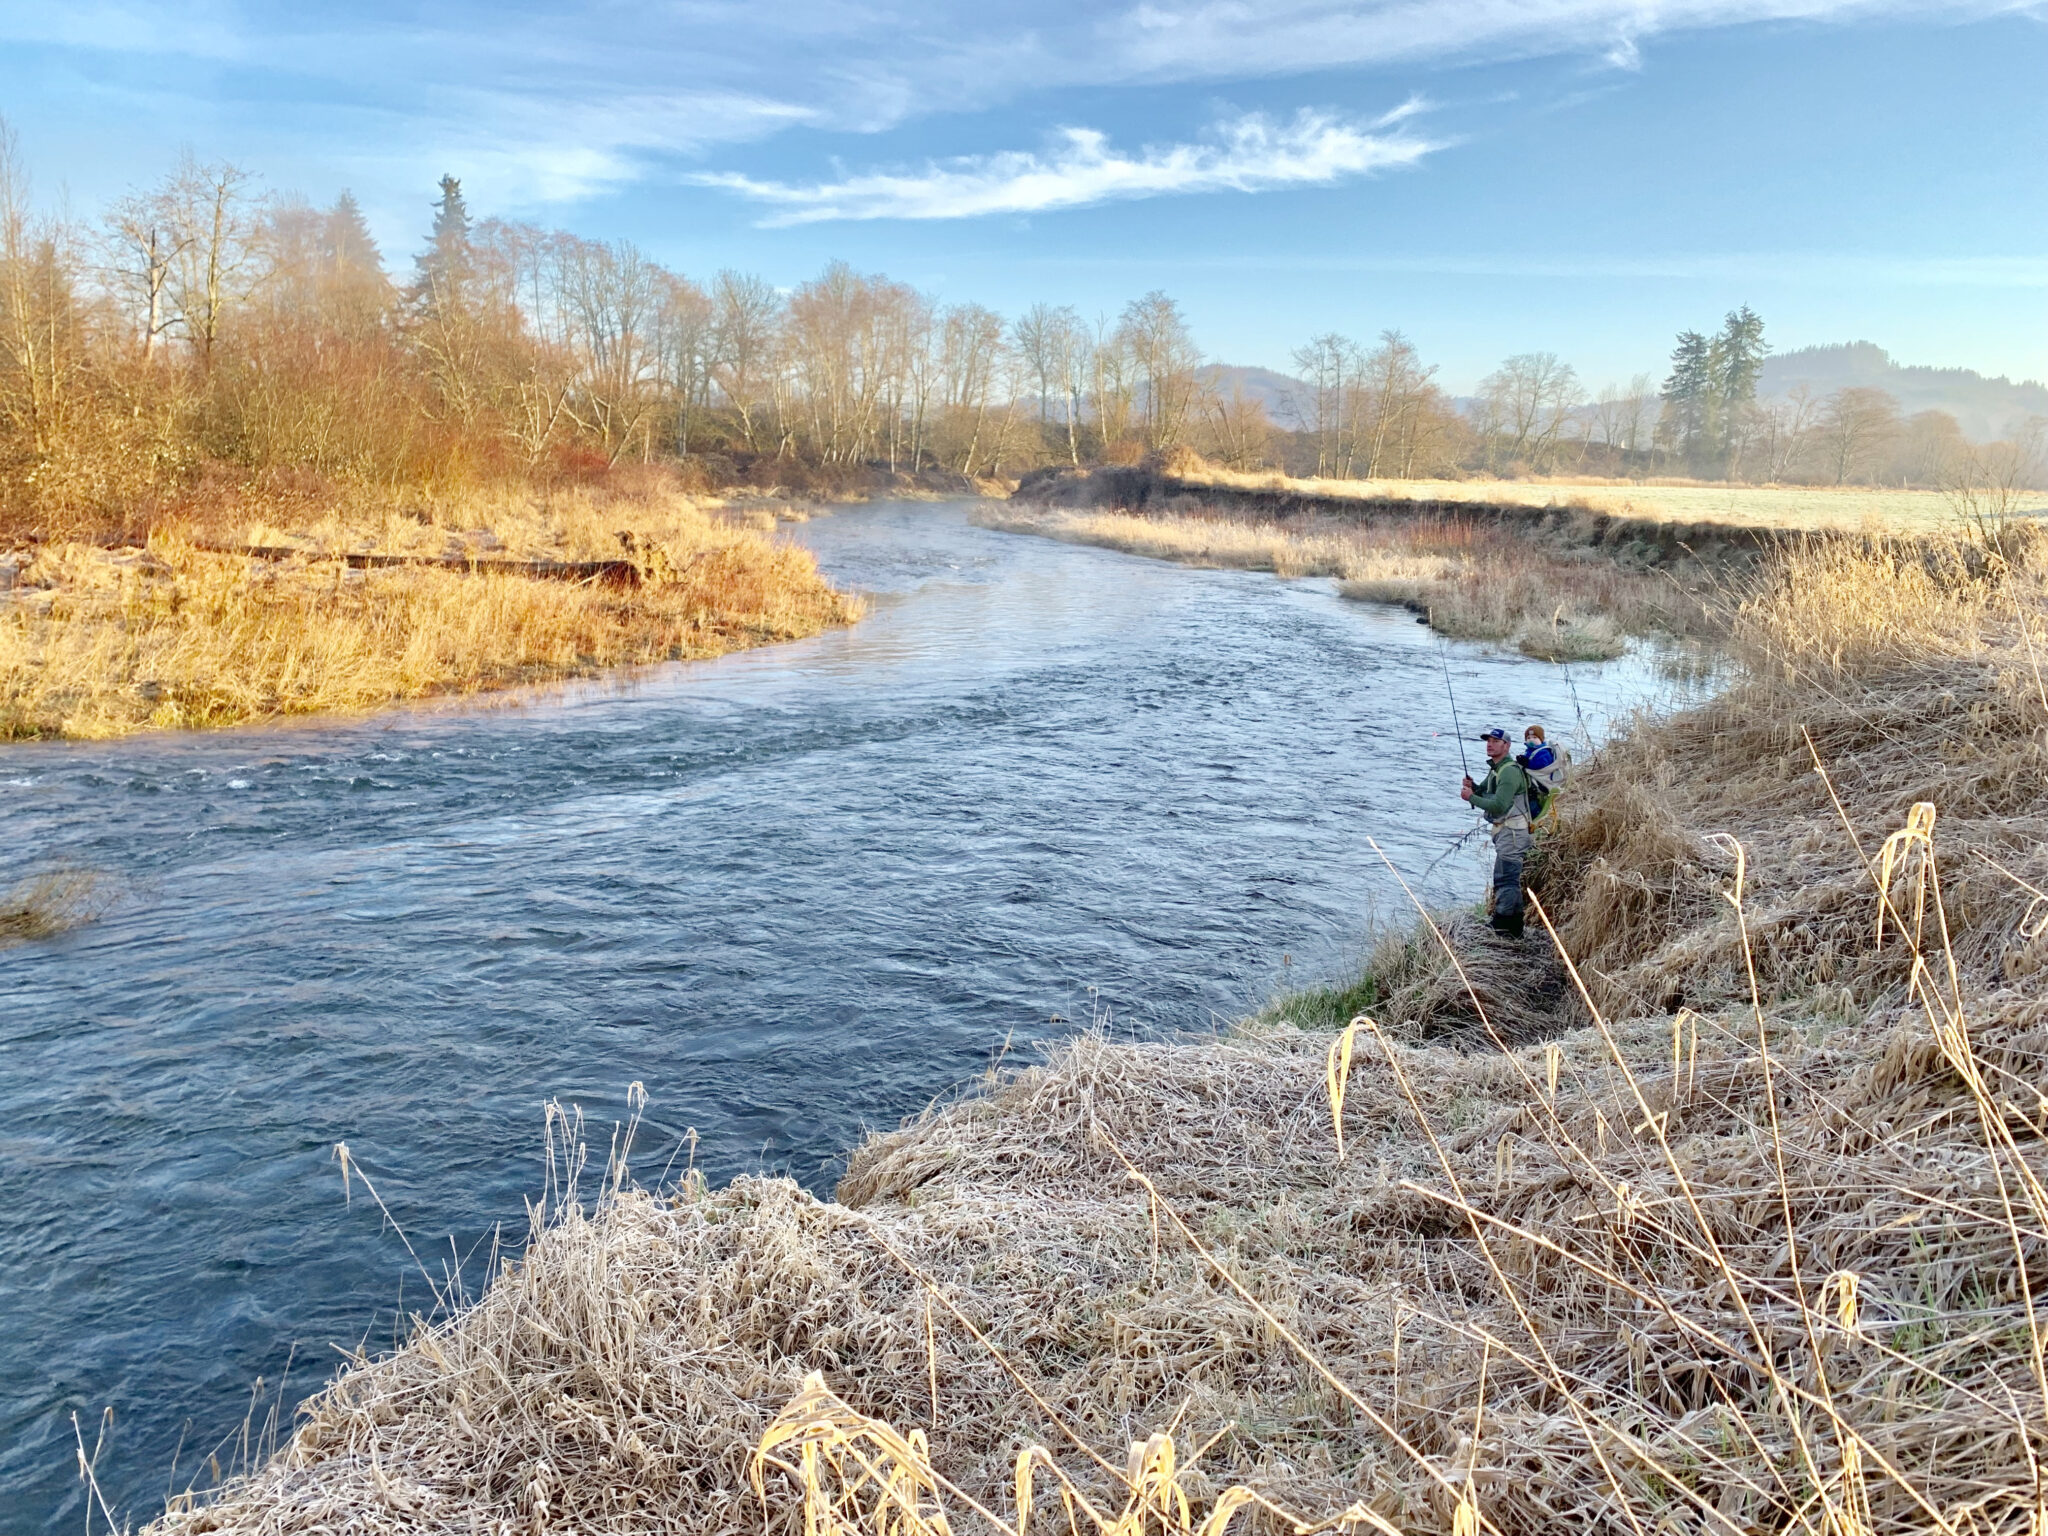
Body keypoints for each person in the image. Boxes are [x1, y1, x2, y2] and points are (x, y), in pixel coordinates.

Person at [1462, 726, 1533, 938]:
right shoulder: (1496, 768)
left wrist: (1470, 797)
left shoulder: (1509, 771)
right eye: (1488, 740)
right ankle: (1513, 927)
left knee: (1506, 879)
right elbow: (1485, 791)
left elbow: (1499, 805)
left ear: (1507, 746)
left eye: (1495, 741)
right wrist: (1473, 787)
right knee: (1506, 877)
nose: (1490, 744)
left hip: (1514, 833)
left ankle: (1503, 925)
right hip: (1507, 832)